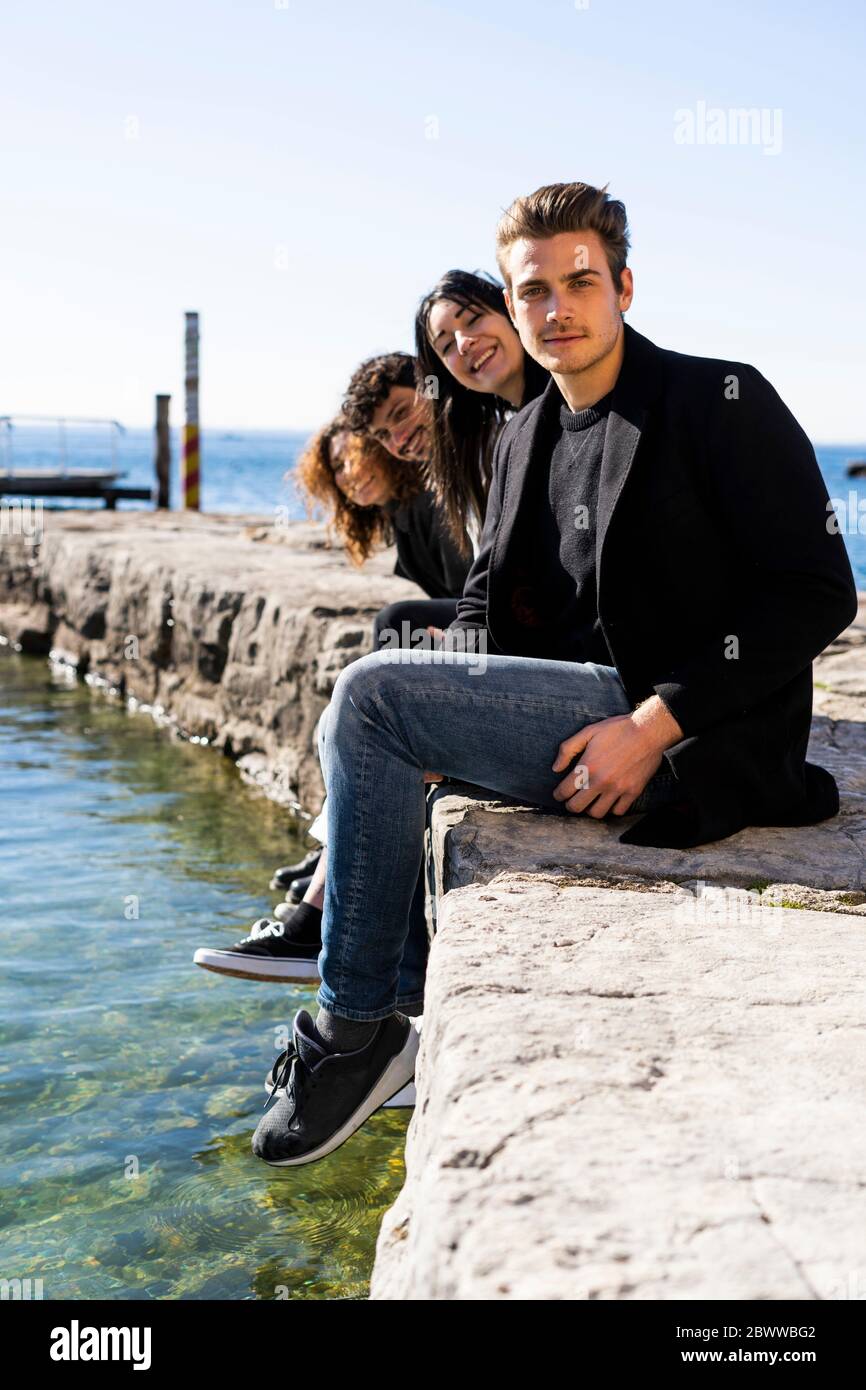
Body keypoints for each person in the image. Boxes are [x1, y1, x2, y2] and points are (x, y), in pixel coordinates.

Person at [246, 180, 857, 1168]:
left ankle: (352, 1032)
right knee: (395, 675)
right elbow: (489, 605)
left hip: (694, 739)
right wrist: (449, 700)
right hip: (579, 711)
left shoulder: (716, 399)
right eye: (532, 290)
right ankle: (394, 999)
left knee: (372, 704)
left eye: (578, 282)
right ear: (513, 301)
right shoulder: (528, 433)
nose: (554, 308)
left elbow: (813, 592)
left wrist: (653, 724)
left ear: (621, 285)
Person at [193, 419, 470, 982]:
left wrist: (464, 642)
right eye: (337, 468)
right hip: (472, 647)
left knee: (389, 648)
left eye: (355, 458)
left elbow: (478, 591)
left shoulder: (430, 502)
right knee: (369, 688)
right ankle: (331, 862)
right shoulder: (402, 514)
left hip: (491, 654)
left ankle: (322, 903)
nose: (348, 475)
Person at [414, 268, 549, 552]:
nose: (464, 343)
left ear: (509, 310)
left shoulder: (575, 403)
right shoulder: (486, 445)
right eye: (447, 345)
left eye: (473, 319)